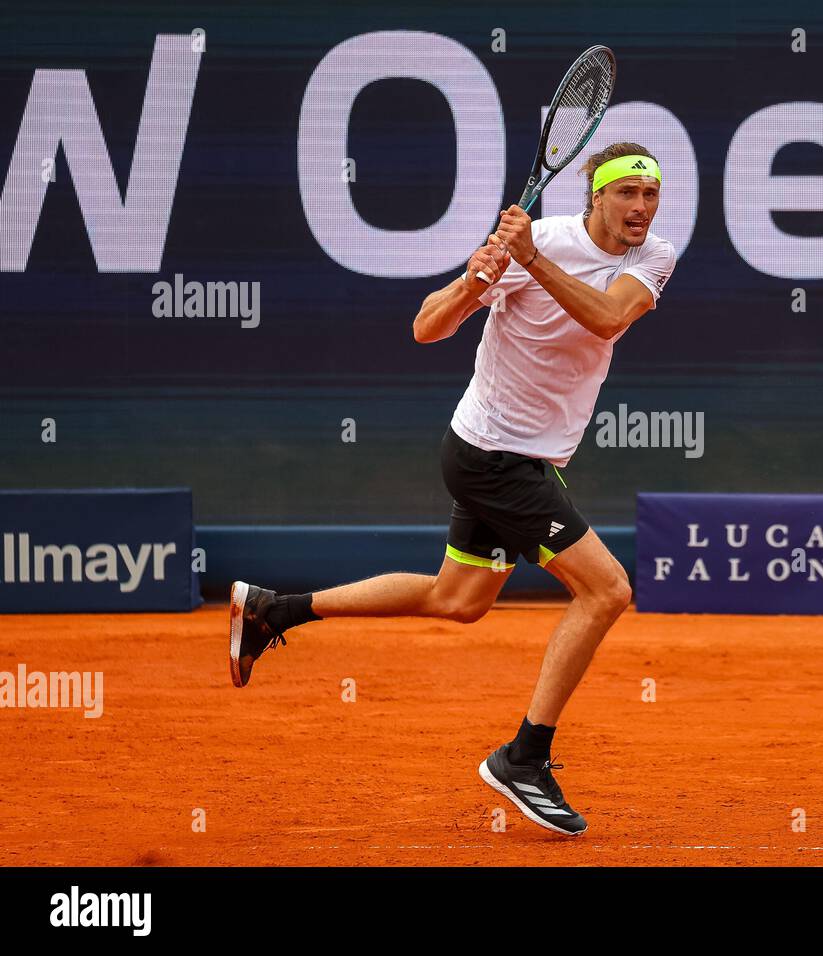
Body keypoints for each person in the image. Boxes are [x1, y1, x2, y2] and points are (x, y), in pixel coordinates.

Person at [228, 142, 676, 836]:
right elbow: (425, 327)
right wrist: (475, 281)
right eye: (627, 194)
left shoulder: (648, 258)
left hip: (525, 460)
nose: (641, 208)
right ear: (595, 196)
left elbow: (609, 317)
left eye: (650, 195)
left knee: (457, 600)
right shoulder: (544, 240)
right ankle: (525, 757)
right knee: (608, 589)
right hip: (490, 455)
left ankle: (274, 610)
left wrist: (530, 263)